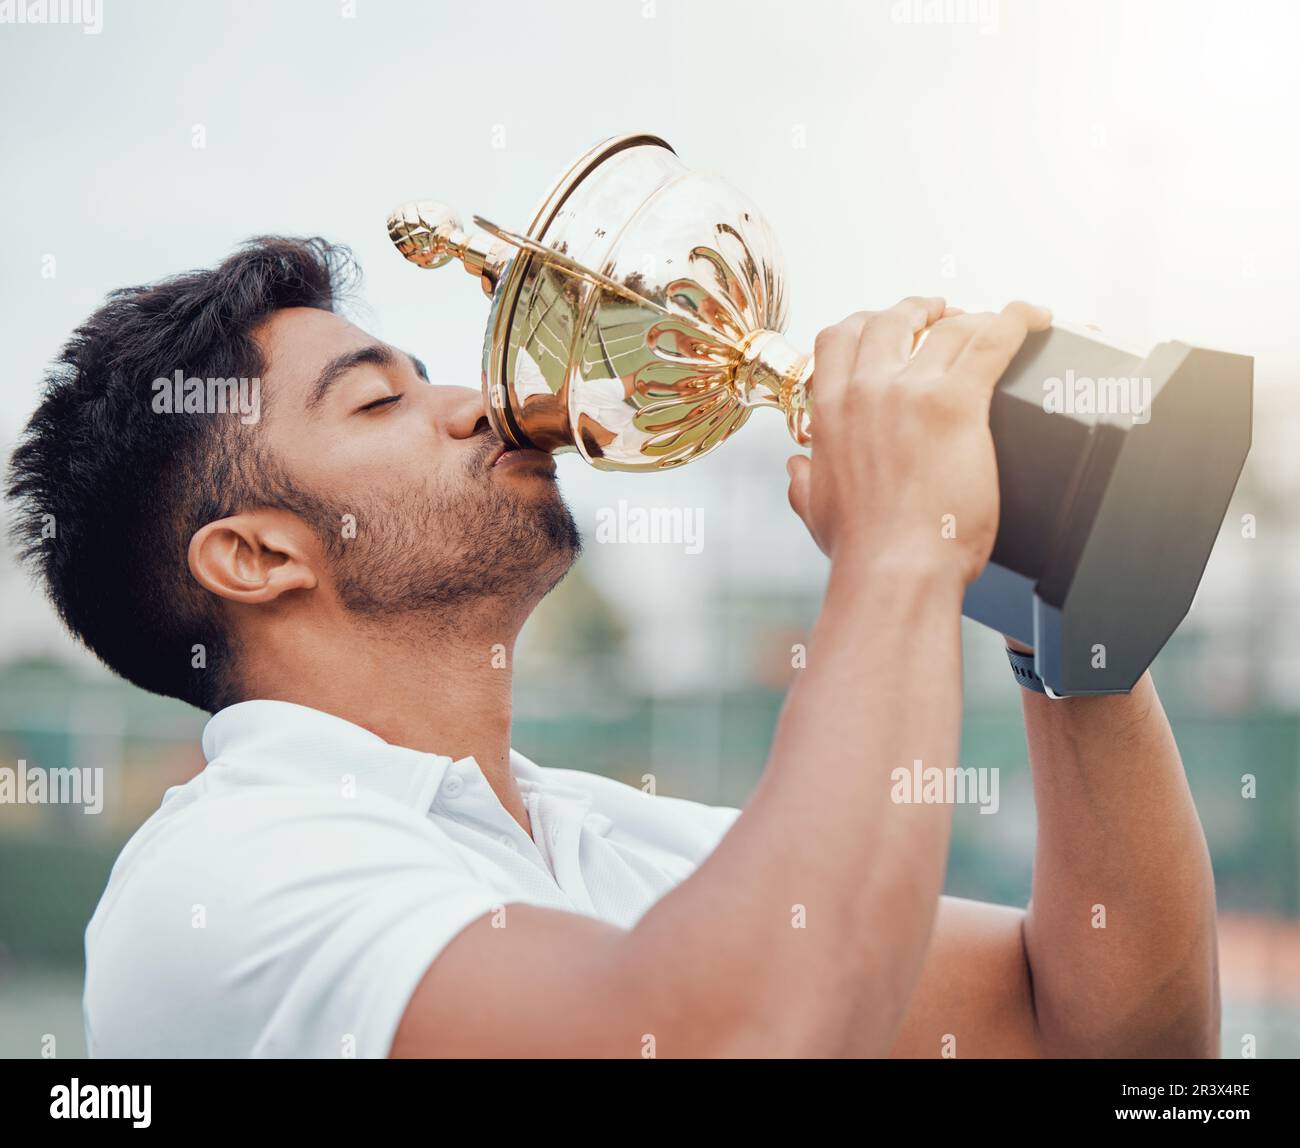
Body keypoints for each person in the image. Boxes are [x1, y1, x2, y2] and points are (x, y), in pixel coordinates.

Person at [7, 237, 1219, 1058]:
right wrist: (897, 544)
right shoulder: (224, 877)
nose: (479, 401)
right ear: (257, 557)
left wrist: (1057, 613)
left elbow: (1100, 1034)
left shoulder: (599, 836)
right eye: (379, 401)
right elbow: (738, 1036)